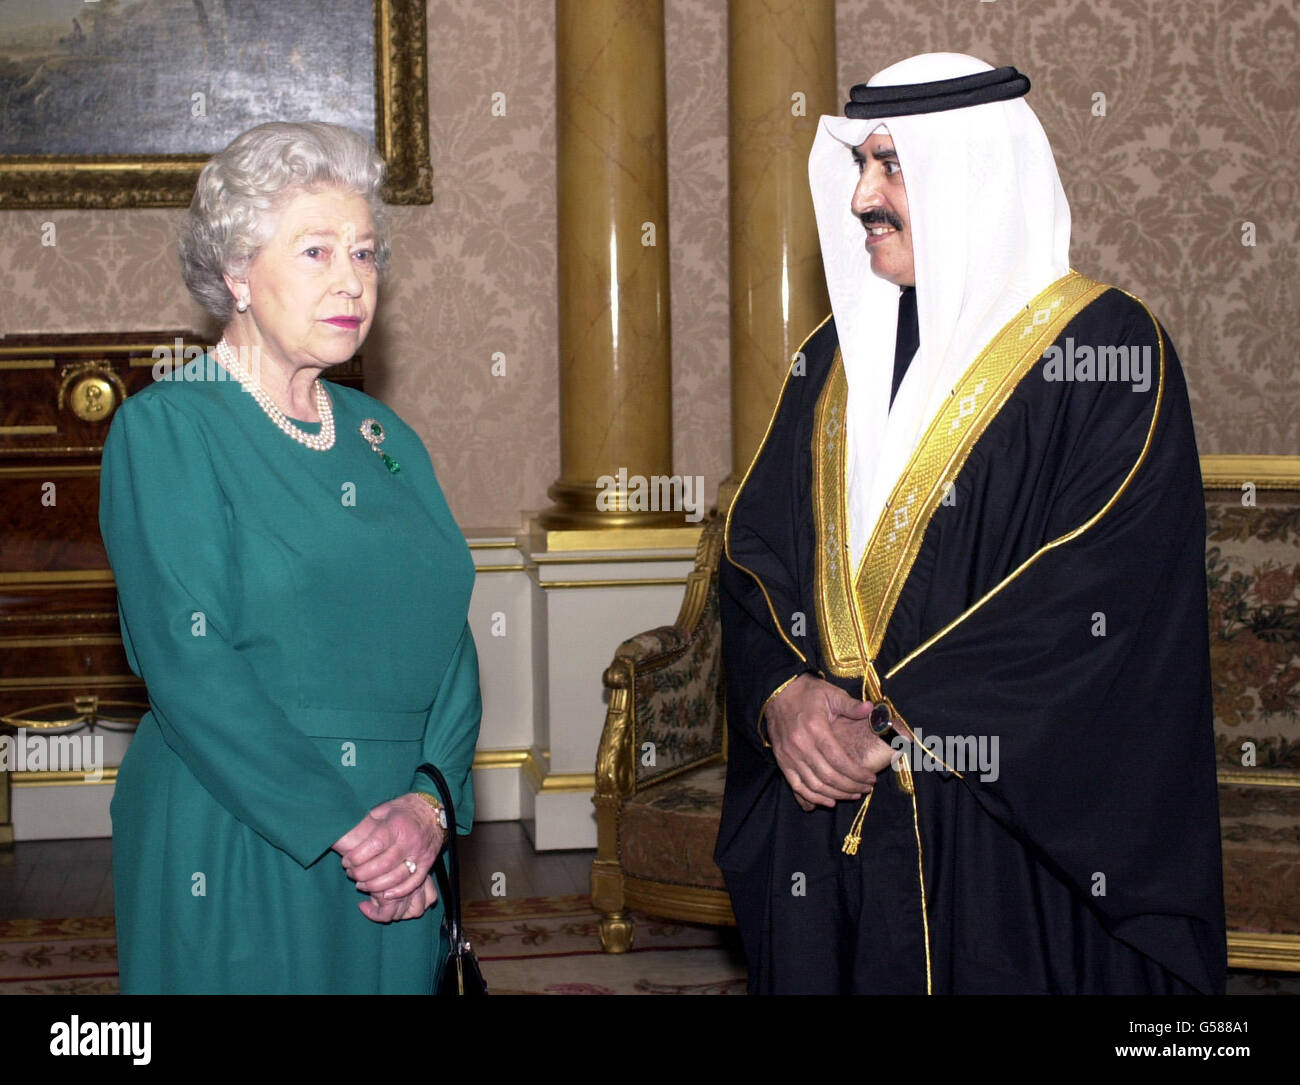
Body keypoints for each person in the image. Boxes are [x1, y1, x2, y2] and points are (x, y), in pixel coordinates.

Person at [715, 53, 1226, 995]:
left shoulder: (1107, 353)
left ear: (975, 178)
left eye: (891, 166)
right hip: (824, 804)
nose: (864, 194)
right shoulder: (832, 359)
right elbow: (755, 563)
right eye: (860, 165)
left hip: (1003, 827)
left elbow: (1102, 593)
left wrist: (907, 728)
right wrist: (782, 697)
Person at [100, 121, 481, 993]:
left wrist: (428, 805)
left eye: (365, 253)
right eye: (315, 251)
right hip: (243, 827)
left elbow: (449, 639)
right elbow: (188, 662)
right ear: (236, 270)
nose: (352, 279)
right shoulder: (169, 430)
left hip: (401, 846)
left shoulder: (388, 439)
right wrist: (352, 829)